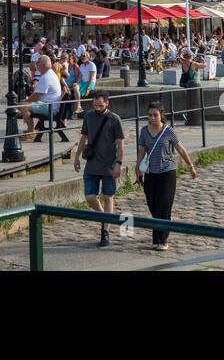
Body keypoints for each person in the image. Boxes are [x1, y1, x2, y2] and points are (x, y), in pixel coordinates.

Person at [135, 102, 196, 251]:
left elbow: (181, 149)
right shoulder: (144, 131)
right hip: (151, 173)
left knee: (163, 203)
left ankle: (161, 239)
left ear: (161, 115)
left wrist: (191, 166)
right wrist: (138, 171)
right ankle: (165, 224)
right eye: (150, 115)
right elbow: (141, 153)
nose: (153, 118)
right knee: (152, 204)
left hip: (167, 172)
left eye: (155, 115)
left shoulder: (168, 131)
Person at [74, 92, 125, 247]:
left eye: (100, 105)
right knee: (89, 196)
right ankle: (105, 217)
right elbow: (83, 138)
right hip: (92, 164)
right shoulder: (89, 116)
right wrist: (76, 157)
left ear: (107, 103)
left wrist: (118, 163)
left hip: (109, 165)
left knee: (108, 196)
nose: (97, 108)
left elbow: (120, 144)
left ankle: (105, 231)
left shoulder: (114, 119)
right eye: (95, 105)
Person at [18, 54, 61, 134]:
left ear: (43, 64)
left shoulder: (46, 77)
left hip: (50, 107)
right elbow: (37, 95)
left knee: (23, 106)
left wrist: (26, 101)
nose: (36, 64)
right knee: (23, 105)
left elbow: (37, 96)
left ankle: (31, 131)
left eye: (38, 62)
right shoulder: (49, 73)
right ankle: (28, 123)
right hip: (50, 104)